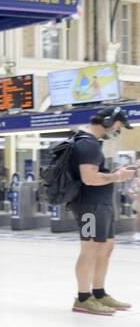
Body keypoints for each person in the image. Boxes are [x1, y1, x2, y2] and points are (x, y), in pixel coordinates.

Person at [67, 108, 136, 316]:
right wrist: (117, 177)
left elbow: (95, 174)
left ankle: (99, 293)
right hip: (89, 205)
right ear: (107, 121)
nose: (118, 130)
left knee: (106, 247)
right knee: (90, 249)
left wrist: (118, 174)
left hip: (101, 203)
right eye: (118, 125)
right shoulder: (87, 143)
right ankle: (83, 298)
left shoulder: (93, 144)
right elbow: (89, 178)